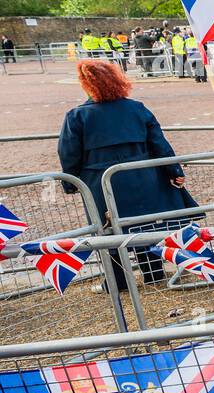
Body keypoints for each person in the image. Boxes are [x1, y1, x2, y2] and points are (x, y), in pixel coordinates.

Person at [58, 60, 199, 291]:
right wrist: (174, 171)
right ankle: (153, 273)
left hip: (100, 182)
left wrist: (71, 184)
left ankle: (118, 281)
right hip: (143, 176)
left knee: (108, 228)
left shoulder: (77, 116)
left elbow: (68, 154)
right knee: (146, 224)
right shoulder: (137, 108)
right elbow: (159, 144)